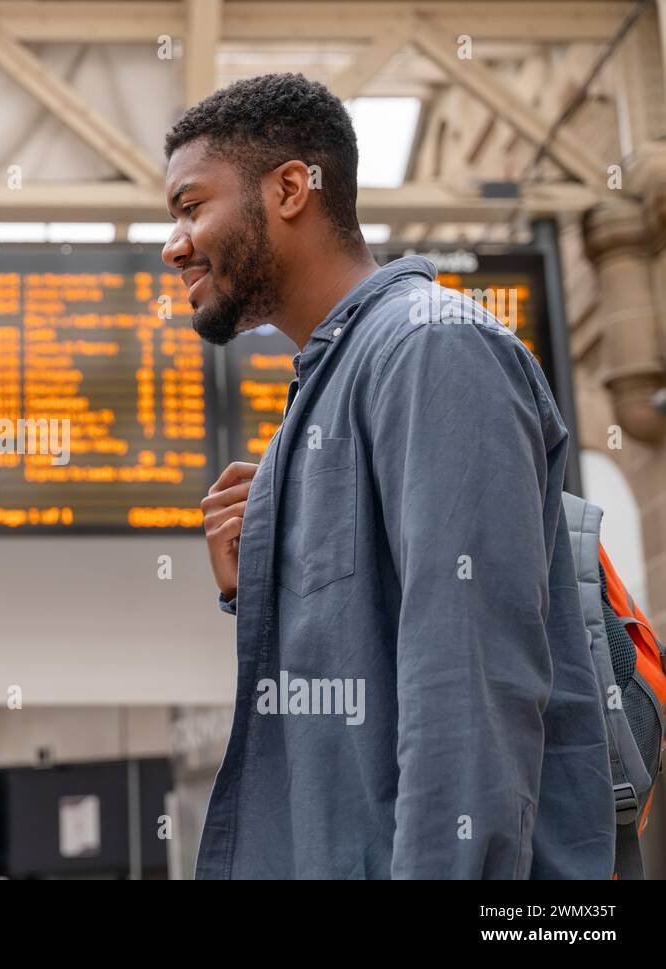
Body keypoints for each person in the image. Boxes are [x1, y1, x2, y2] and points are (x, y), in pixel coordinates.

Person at [162, 73, 614, 878]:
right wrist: (262, 579)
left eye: (192, 206)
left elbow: (467, 691)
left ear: (293, 188)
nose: (174, 243)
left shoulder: (429, 348)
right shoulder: (326, 388)